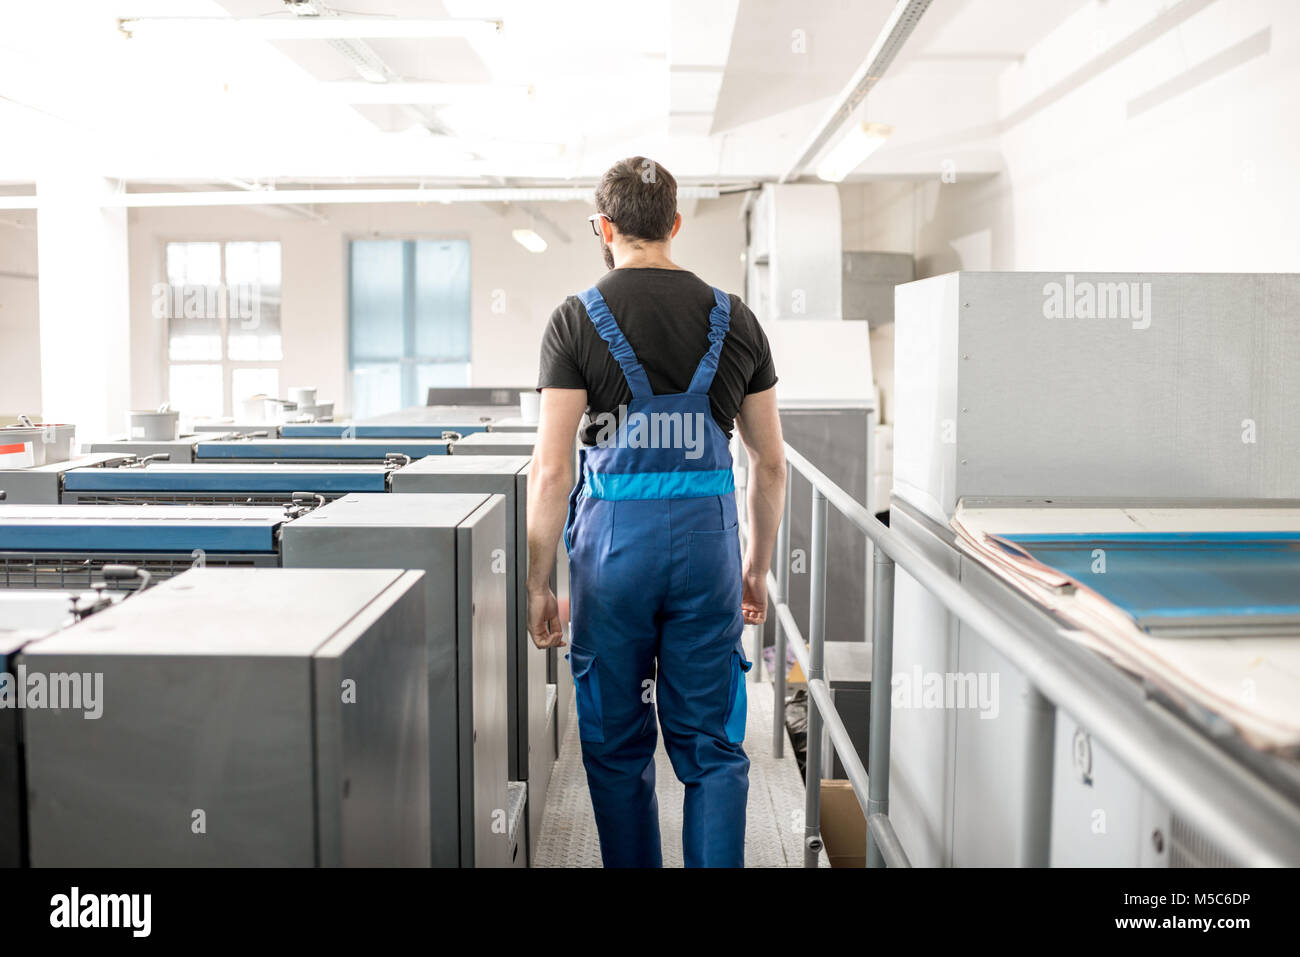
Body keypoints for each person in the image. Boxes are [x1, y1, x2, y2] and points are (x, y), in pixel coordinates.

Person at [525, 156, 787, 868]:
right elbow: (769, 463)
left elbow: (551, 470)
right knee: (711, 746)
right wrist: (755, 567)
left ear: (603, 228)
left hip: (613, 554)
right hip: (708, 548)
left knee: (613, 746)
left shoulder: (574, 320)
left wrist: (536, 580)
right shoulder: (738, 321)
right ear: (675, 224)